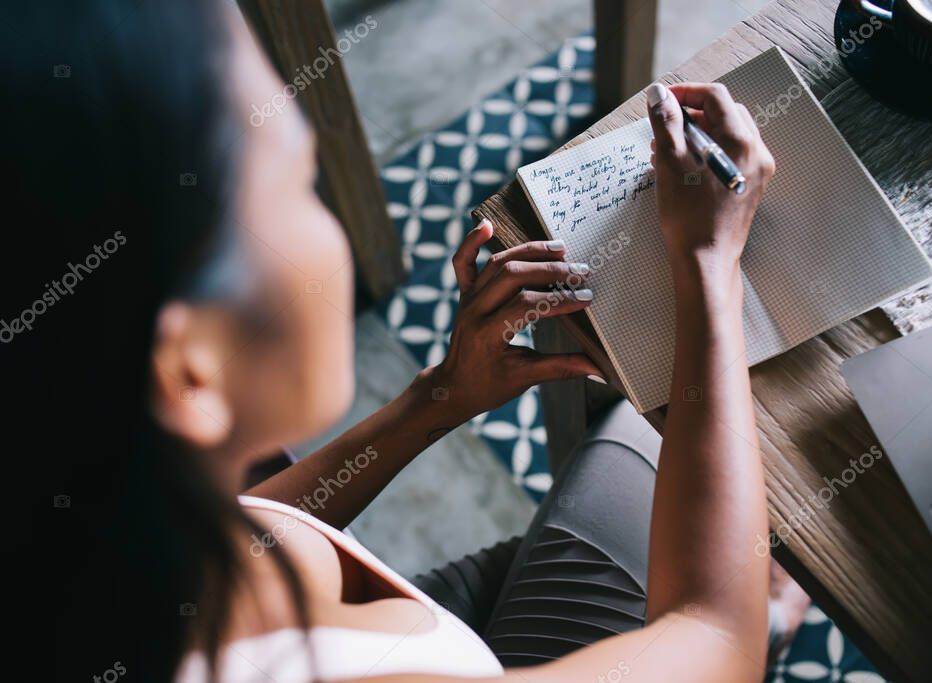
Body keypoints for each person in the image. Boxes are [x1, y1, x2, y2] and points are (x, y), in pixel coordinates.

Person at [20, 1, 804, 681]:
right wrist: (709, 263)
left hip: (419, 625)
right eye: (299, 184)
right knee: (652, 445)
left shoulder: (80, 546)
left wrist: (441, 396)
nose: (327, 224)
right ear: (192, 373)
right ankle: (776, 610)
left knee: (632, 460)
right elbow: (713, 638)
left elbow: (244, 530)